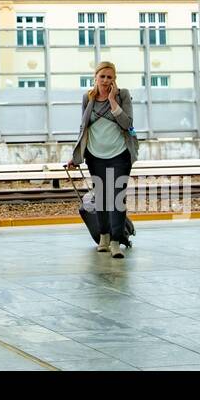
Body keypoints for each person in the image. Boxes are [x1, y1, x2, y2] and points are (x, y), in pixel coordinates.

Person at [66, 61, 137, 258]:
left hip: (120, 155)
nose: (106, 80)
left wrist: (113, 101)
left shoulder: (122, 95)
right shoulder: (87, 98)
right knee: (103, 199)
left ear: (114, 79)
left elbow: (127, 124)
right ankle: (104, 238)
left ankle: (116, 241)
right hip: (95, 156)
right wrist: (76, 156)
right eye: (102, 76)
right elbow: (83, 128)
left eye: (110, 77)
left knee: (117, 199)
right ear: (95, 77)